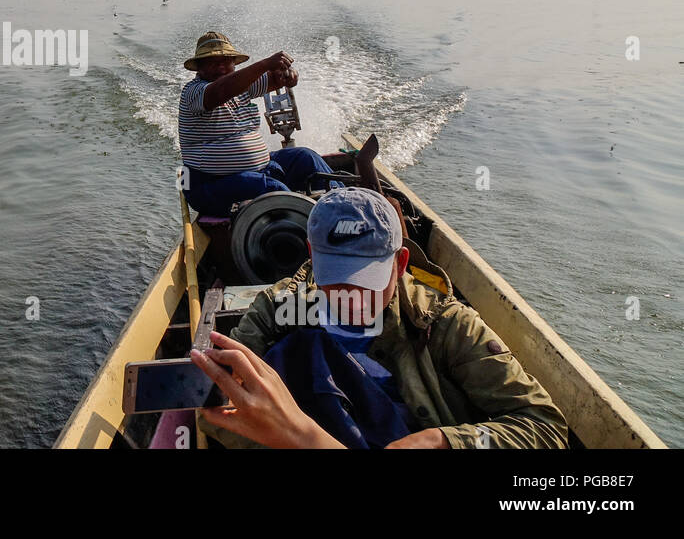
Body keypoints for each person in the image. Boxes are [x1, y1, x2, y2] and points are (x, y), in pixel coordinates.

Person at [191, 187, 569, 449]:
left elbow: (544, 427)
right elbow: (215, 409)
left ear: (400, 262)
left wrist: (439, 440)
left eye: (367, 282)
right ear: (312, 255)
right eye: (336, 281)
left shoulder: (443, 324)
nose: (351, 299)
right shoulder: (277, 312)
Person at [178, 31, 337, 217]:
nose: (220, 66)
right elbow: (220, 91)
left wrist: (288, 74)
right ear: (200, 68)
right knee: (271, 188)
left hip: (260, 169)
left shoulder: (241, 87)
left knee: (306, 157)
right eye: (212, 62)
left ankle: (343, 203)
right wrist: (265, 64)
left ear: (234, 64)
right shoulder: (194, 92)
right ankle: (318, 226)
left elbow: (277, 79)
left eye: (226, 61)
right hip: (208, 185)